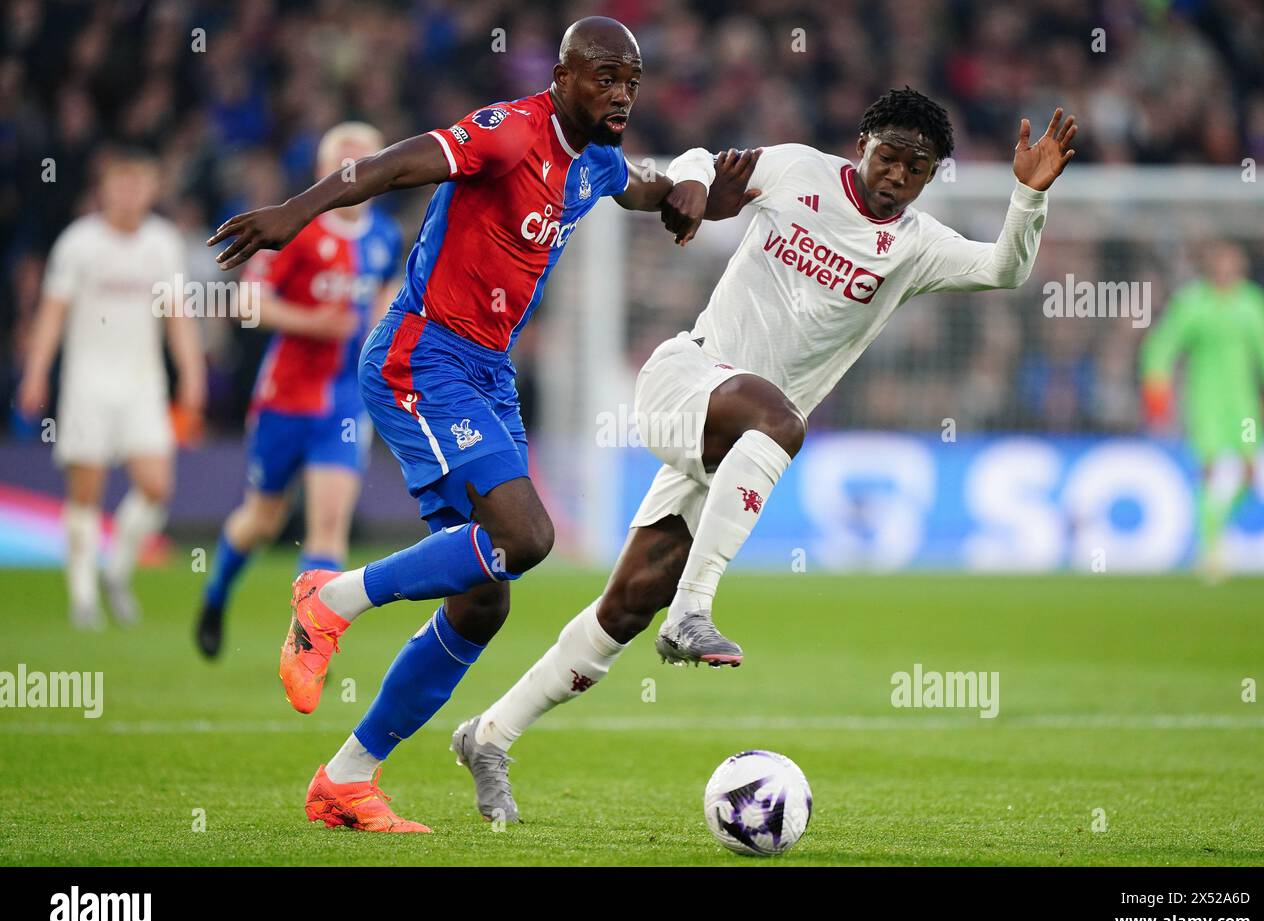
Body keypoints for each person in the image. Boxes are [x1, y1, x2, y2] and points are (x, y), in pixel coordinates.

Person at [454, 88, 1078, 823]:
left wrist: (1027, 198)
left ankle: (489, 735)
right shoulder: (796, 171)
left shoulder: (917, 247)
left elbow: (1005, 269)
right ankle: (693, 612)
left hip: (738, 441)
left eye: (918, 167)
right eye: (890, 157)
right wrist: (689, 181)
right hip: (688, 378)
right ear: (862, 145)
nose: (899, 176)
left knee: (625, 606)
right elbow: (701, 164)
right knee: (781, 420)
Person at [209, 16, 738, 832]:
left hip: (487, 372)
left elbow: (645, 186)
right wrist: (298, 209)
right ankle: (331, 599)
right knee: (527, 538)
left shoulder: (594, 163)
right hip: (422, 354)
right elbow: (389, 167)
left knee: (486, 597)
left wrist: (688, 188)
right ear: (561, 77)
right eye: (604, 76)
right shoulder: (506, 132)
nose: (621, 93)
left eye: (631, 80)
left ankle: (347, 779)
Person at [194, 123, 403, 658]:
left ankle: (309, 647)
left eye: (365, 163)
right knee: (261, 520)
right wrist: (316, 322)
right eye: (344, 163)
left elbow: (381, 303)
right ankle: (216, 595)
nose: (355, 174)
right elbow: (248, 303)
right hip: (284, 397)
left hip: (343, 402)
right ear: (323, 171)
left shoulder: (385, 236)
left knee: (329, 525)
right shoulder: (297, 227)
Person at [17, 147, 206, 629]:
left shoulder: (162, 243)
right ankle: (82, 597)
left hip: (142, 382)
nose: (129, 194)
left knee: (157, 486)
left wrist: (191, 373)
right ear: (104, 189)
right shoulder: (79, 244)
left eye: (139, 184)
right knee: (85, 492)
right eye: (120, 184)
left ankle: (116, 570)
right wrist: (36, 371)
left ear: (151, 190)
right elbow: (52, 314)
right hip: (88, 383)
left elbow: (178, 318)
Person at [1141, 240, 1264, 578]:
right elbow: (1162, 345)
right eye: (1220, 264)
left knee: (1252, 474)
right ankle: (1210, 550)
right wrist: (1157, 385)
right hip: (1205, 402)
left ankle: (1217, 528)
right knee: (1210, 474)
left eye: (1232, 265)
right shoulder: (1194, 302)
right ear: (1211, 267)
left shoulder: (1252, 303)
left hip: (1244, 405)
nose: (1226, 271)